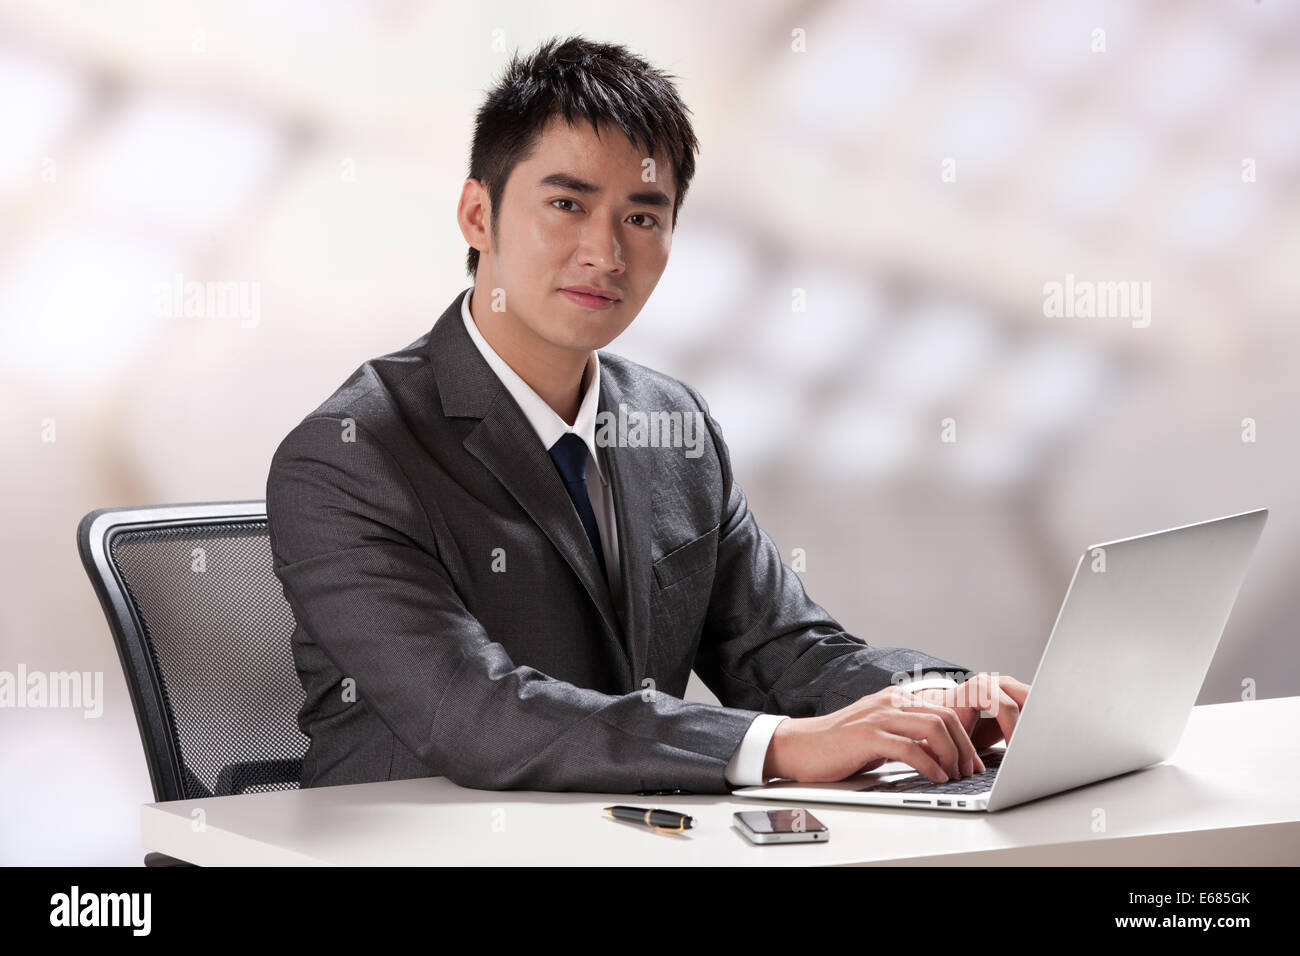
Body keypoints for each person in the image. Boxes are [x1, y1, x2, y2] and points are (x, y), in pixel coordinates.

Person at [266, 34, 1029, 794]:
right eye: (567, 204)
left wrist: (944, 700)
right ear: (477, 214)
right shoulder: (350, 455)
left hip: (622, 837)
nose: (605, 253)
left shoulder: (674, 426)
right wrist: (784, 747)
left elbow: (786, 653)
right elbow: (477, 715)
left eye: (642, 217)